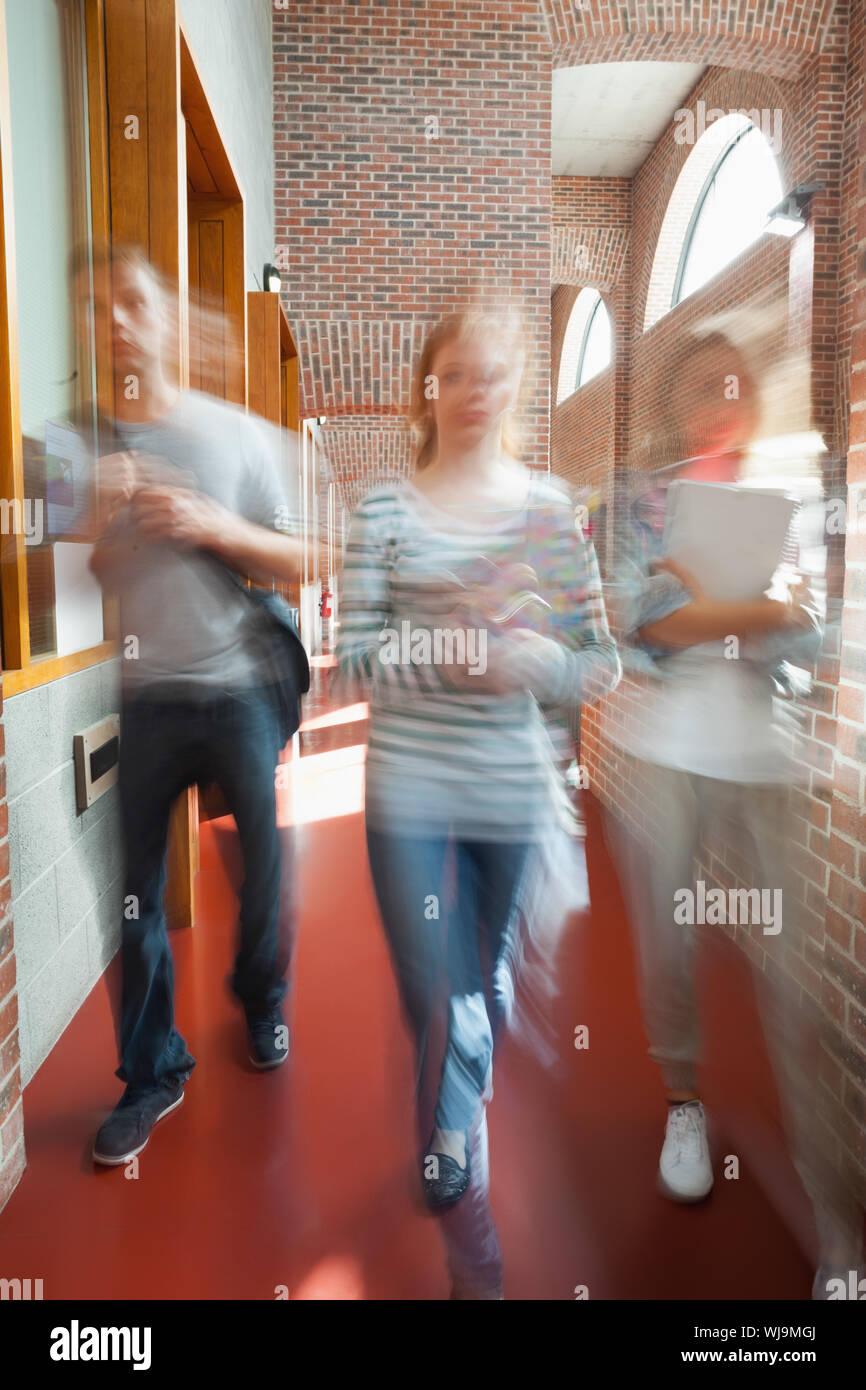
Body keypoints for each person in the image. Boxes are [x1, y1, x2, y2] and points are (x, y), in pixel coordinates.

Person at [336, 305, 620, 1298]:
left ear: (517, 388)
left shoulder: (547, 512)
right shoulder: (381, 509)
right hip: (407, 794)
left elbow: (601, 659)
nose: (474, 391)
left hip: (507, 799)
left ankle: (462, 1084)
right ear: (428, 385)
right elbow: (355, 657)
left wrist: (535, 660)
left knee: (471, 1004)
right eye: (455, 372)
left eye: (493, 373)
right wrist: (444, 650)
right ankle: (477, 1259)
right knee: (438, 1000)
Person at [605, 327, 864, 1294]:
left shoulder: (784, 506)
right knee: (669, 950)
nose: (721, 402)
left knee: (794, 984)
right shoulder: (641, 502)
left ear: (752, 400)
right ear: (677, 402)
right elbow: (644, 625)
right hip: (665, 753)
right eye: (702, 387)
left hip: (765, 757)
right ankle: (684, 1103)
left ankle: (839, 1233)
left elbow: (817, 638)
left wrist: (764, 614)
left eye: (735, 386)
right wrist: (753, 614)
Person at [71, 245, 310, 1166]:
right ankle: (151, 1073)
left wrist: (209, 523)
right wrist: (102, 525)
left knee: (263, 871)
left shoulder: (235, 433)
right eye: (97, 309)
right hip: (148, 696)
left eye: (132, 302)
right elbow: (83, 577)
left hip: (241, 688)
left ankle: (262, 998)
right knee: (134, 897)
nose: (118, 322)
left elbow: (298, 560)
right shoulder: (77, 440)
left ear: (165, 316)